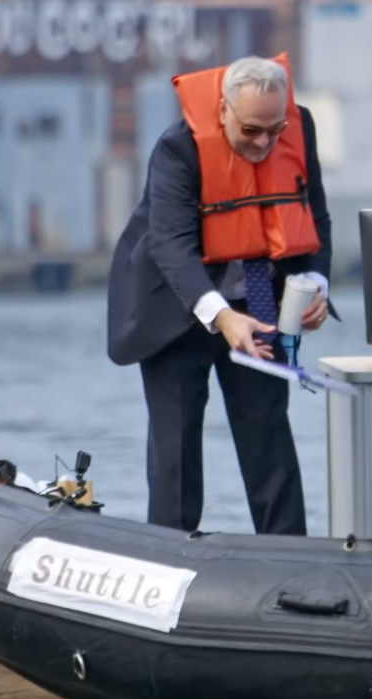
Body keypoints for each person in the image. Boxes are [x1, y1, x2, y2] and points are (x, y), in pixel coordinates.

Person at [105, 53, 335, 536]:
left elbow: (314, 214)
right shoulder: (177, 148)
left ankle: (288, 558)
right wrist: (223, 317)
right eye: (252, 130)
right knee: (176, 449)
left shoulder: (298, 128)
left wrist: (317, 284)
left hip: (258, 287)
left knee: (269, 434)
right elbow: (170, 245)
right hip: (176, 304)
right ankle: (170, 557)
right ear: (224, 111)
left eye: (274, 130)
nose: (265, 142)